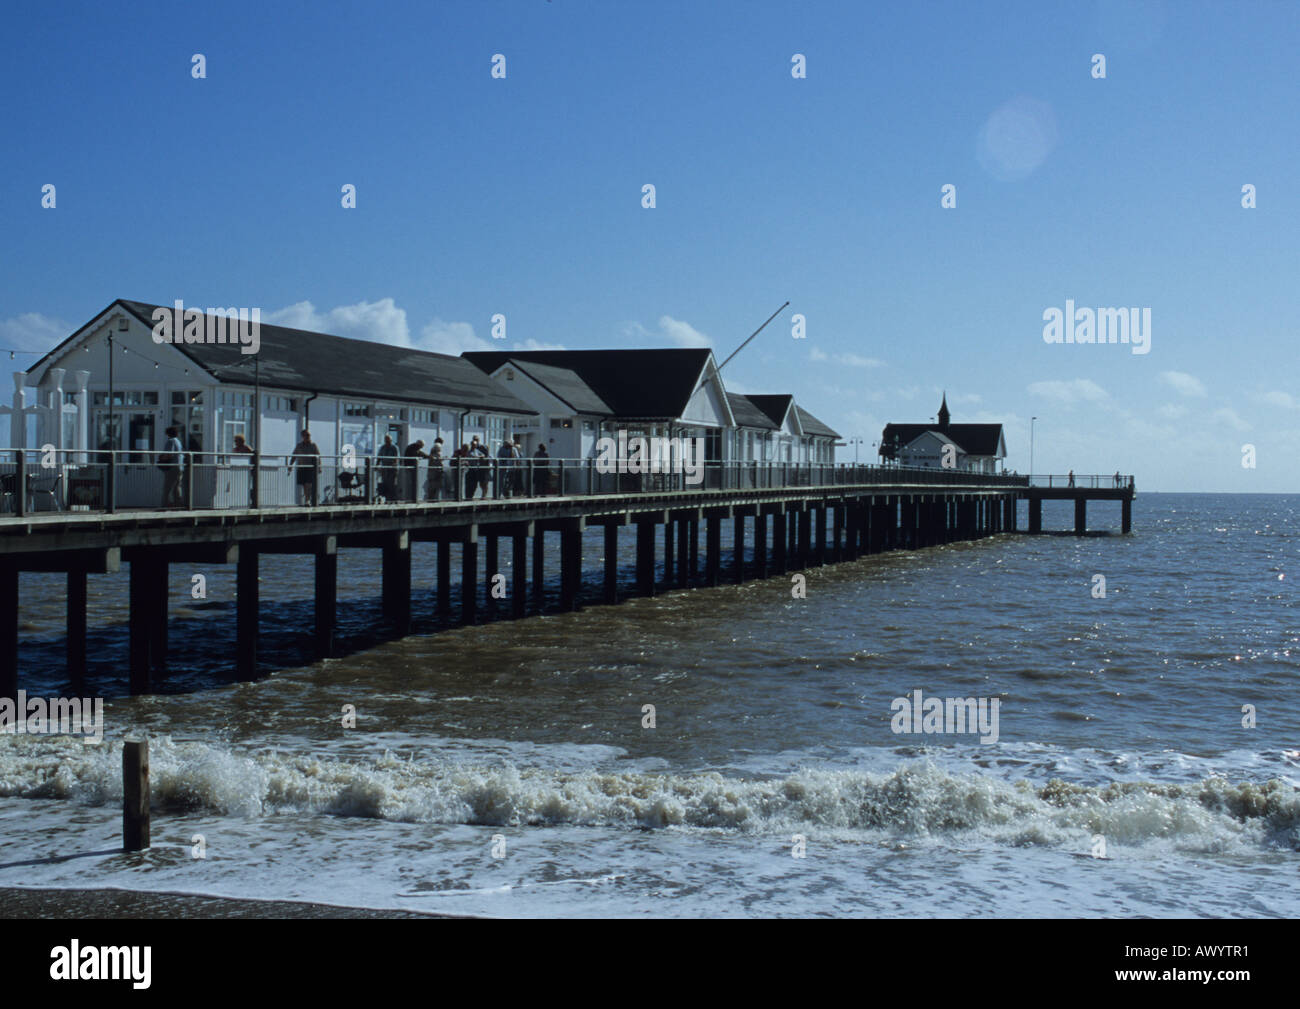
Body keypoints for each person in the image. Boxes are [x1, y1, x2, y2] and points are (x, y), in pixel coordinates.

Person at [289, 429, 321, 506]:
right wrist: (290, 465)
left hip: (310, 467)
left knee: (308, 484)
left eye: (309, 435)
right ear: (303, 436)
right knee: (304, 484)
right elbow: (294, 456)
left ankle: (308, 500)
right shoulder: (299, 445)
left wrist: (319, 466)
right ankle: (307, 499)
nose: (308, 437)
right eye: (306, 435)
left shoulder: (313, 445)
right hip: (302, 466)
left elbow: (318, 456)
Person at [159, 425, 185, 507]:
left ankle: (164, 504)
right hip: (180, 466)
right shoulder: (178, 441)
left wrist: (161, 458)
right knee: (177, 487)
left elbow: (169, 454)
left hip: (172, 467)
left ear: (168, 434)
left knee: (167, 487)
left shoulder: (170, 441)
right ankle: (178, 504)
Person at [376, 434, 399, 501]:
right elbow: (379, 456)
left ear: (391, 440)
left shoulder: (394, 447)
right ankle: (386, 497)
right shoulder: (383, 447)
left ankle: (392, 498)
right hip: (385, 469)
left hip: (392, 469)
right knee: (384, 483)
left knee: (392, 484)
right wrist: (377, 465)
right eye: (385, 440)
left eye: (388, 440)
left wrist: (394, 465)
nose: (387, 441)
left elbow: (396, 458)